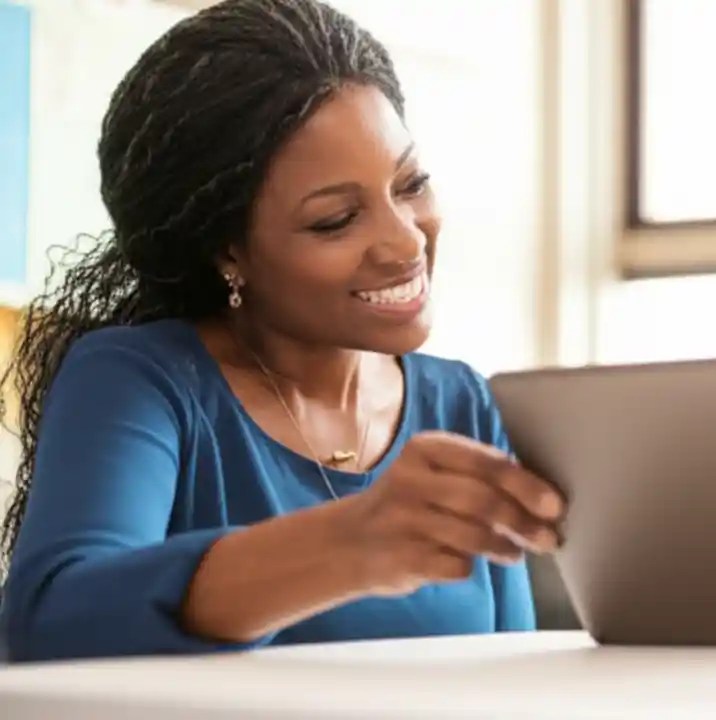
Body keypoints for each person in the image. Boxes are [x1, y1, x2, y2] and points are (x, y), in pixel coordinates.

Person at [0, 0, 564, 663]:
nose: (405, 239)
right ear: (227, 252)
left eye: (410, 185)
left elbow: (519, 671)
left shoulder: (462, 403)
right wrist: (345, 545)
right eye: (335, 219)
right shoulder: (142, 379)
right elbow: (50, 618)